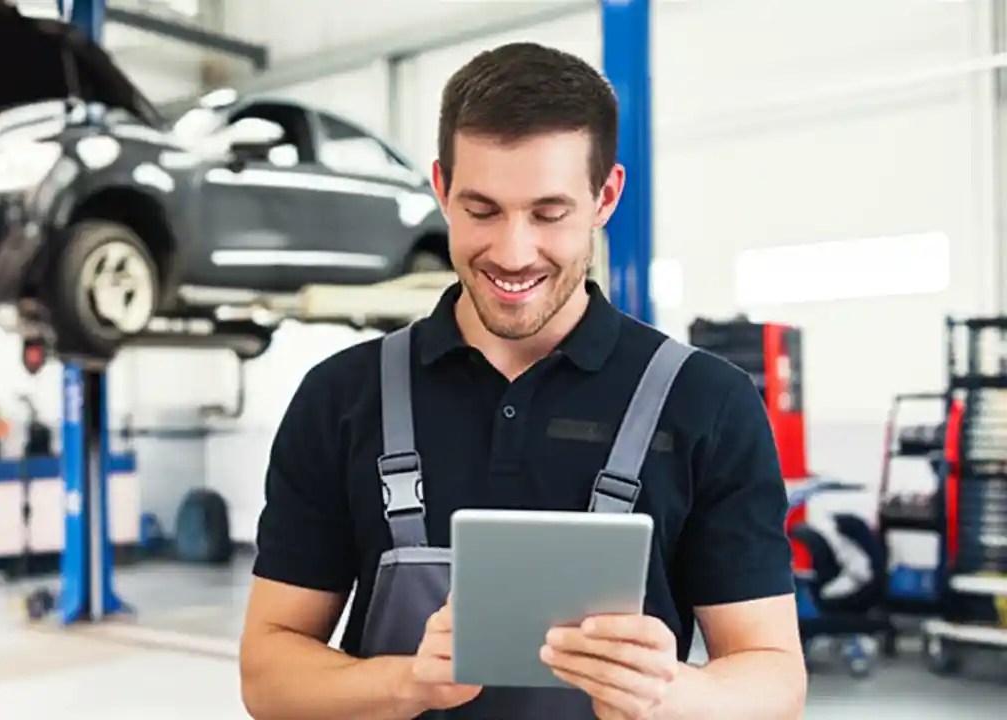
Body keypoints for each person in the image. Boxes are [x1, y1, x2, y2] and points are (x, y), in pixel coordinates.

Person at [239, 42, 807, 720]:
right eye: (481, 210)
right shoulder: (340, 398)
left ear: (606, 197)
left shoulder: (707, 404)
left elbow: (776, 686)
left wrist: (665, 691)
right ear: (441, 189)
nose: (512, 253)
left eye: (548, 213)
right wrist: (408, 683)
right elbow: (268, 676)